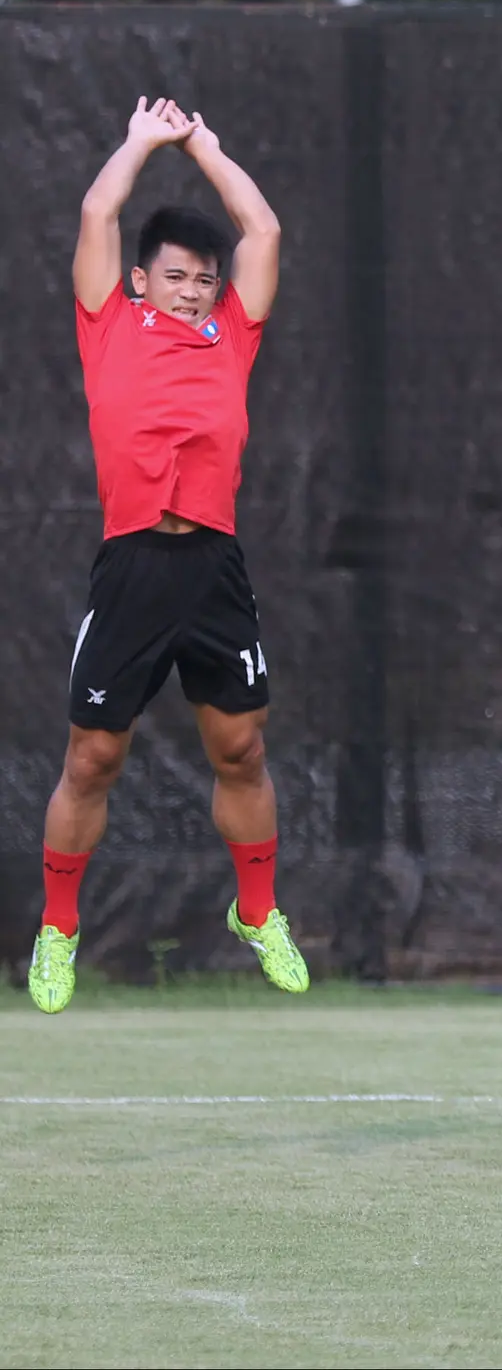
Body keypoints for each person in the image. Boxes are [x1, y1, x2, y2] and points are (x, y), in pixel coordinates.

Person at [29, 98, 303, 1014]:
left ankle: (257, 911)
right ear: (141, 281)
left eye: (204, 279)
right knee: (93, 759)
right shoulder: (110, 321)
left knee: (241, 749)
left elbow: (261, 227)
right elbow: (98, 216)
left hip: (213, 566)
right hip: (135, 564)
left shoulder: (234, 334)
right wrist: (144, 142)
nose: (192, 290)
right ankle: (58, 930)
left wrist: (211, 149)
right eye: (177, 276)